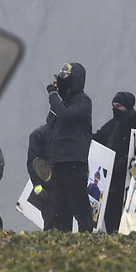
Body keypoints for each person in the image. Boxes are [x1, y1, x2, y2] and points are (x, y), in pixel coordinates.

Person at [45, 62, 94, 232]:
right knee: (61, 208)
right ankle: (64, 238)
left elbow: (66, 116)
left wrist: (53, 96)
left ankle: (86, 237)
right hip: (60, 161)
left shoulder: (83, 101)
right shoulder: (63, 103)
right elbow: (50, 125)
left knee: (79, 205)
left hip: (74, 161)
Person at [92, 91, 136, 233]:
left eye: (118, 106)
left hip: (129, 182)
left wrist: (127, 166)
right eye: (113, 106)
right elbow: (99, 138)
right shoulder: (112, 124)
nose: (115, 109)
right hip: (110, 182)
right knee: (111, 220)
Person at [26, 112, 55, 225]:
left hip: (62, 189)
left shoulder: (65, 134)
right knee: (51, 224)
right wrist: (38, 186)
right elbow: (33, 164)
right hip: (48, 190)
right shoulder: (39, 135)